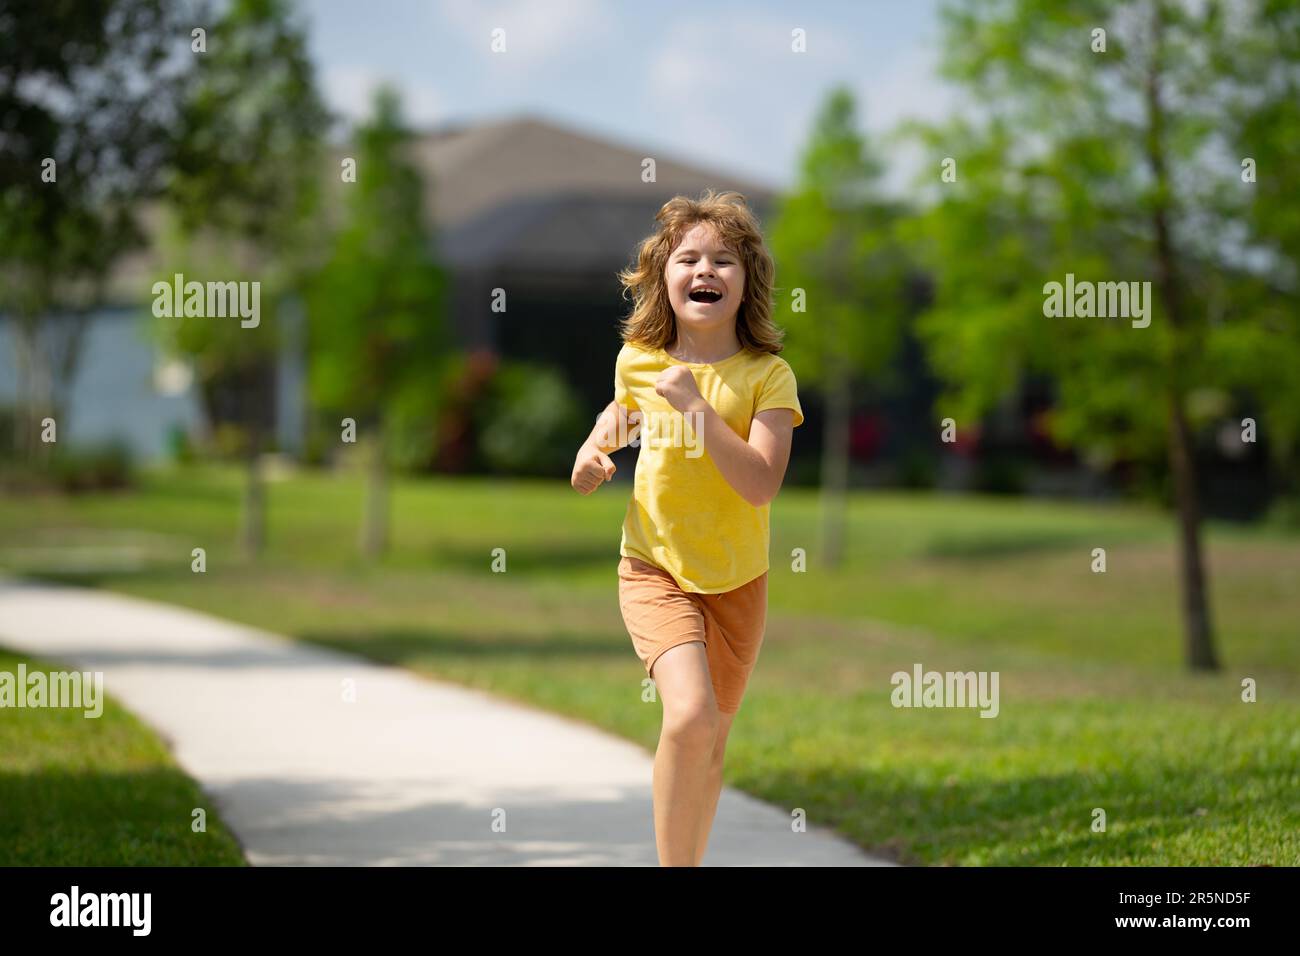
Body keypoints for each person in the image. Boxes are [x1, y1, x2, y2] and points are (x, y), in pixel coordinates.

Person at [570, 189, 804, 866]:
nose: (705, 270)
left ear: (747, 281)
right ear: (663, 278)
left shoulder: (768, 377)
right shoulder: (640, 360)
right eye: (689, 258)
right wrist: (593, 451)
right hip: (655, 567)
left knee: (713, 740)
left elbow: (760, 483)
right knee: (690, 718)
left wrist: (698, 407)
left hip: (738, 580)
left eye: (724, 260)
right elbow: (620, 418)